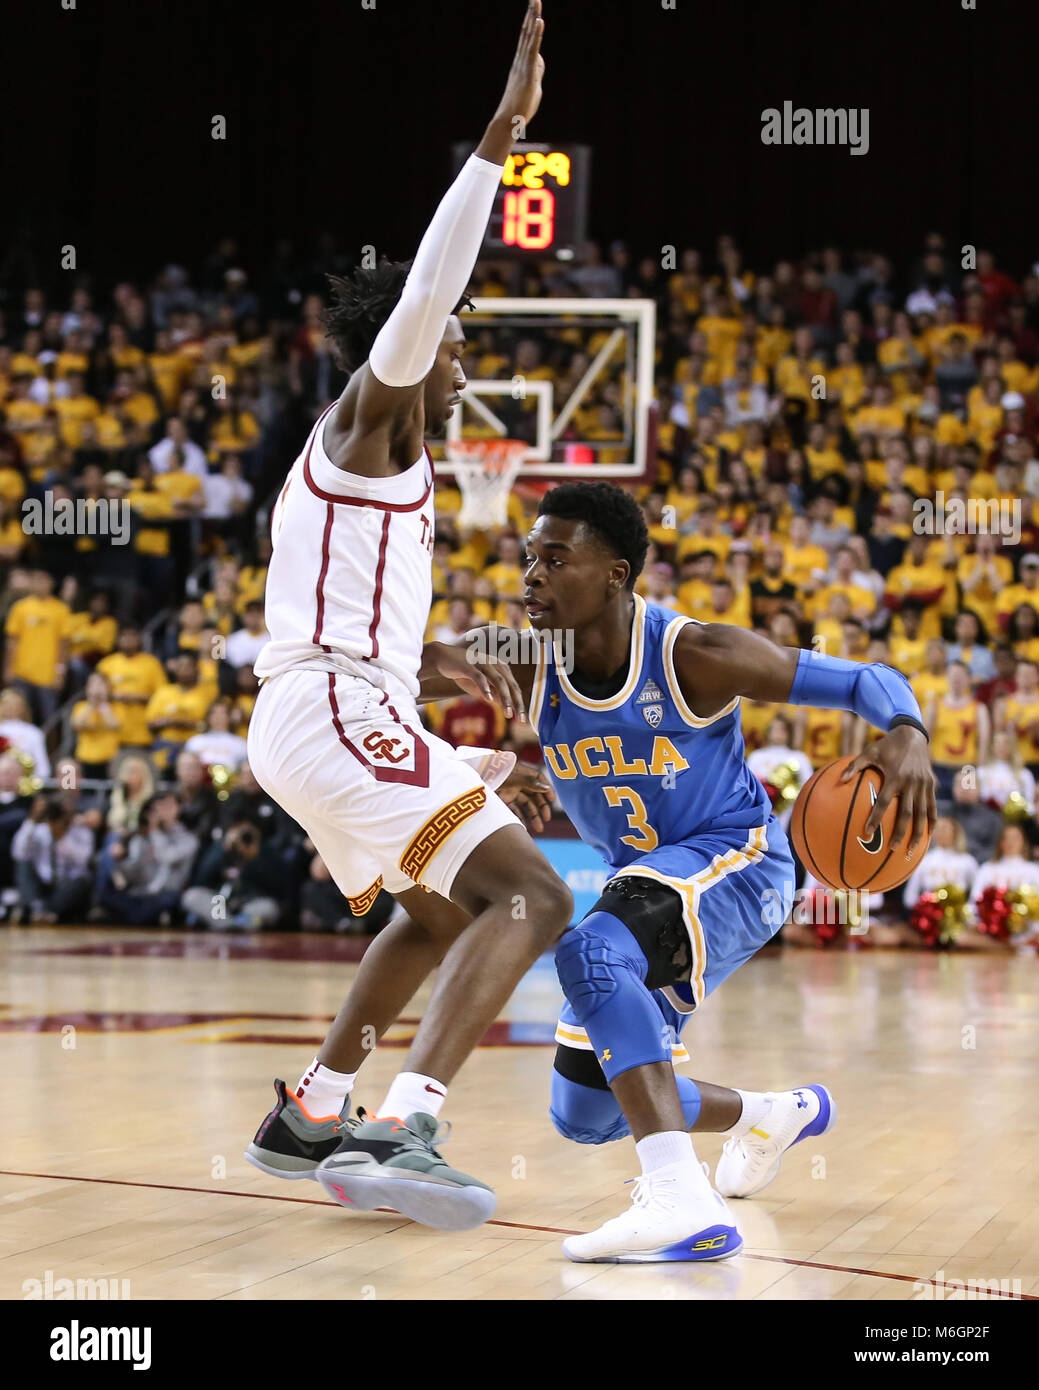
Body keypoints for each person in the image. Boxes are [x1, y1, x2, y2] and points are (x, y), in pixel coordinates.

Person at [244, 4, 572, 1234]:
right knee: (534, 897)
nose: (464, 367)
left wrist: (469, 733)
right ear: (404, 343)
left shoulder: (387, 471)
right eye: (453, 349)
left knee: (438, 906)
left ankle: (313, 1109)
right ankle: (411, 1127)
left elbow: (389, 649)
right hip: (328, 708)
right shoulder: (368, 422)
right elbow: (434, 286)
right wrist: (499, 135)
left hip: (331, 706)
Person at [421, 479, 934, 1263]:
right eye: (529, 559)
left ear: (616, 575)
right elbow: (406, 675)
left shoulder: (694, 654)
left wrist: (906, 730)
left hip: (738, 863)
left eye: (555, 561)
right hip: (649, 884)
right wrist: (432, 684)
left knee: (586, 948)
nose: (531, 578)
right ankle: (768, 1113)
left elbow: (860, 681)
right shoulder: (522, 660)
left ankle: (678, 1201)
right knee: (585, 1111)